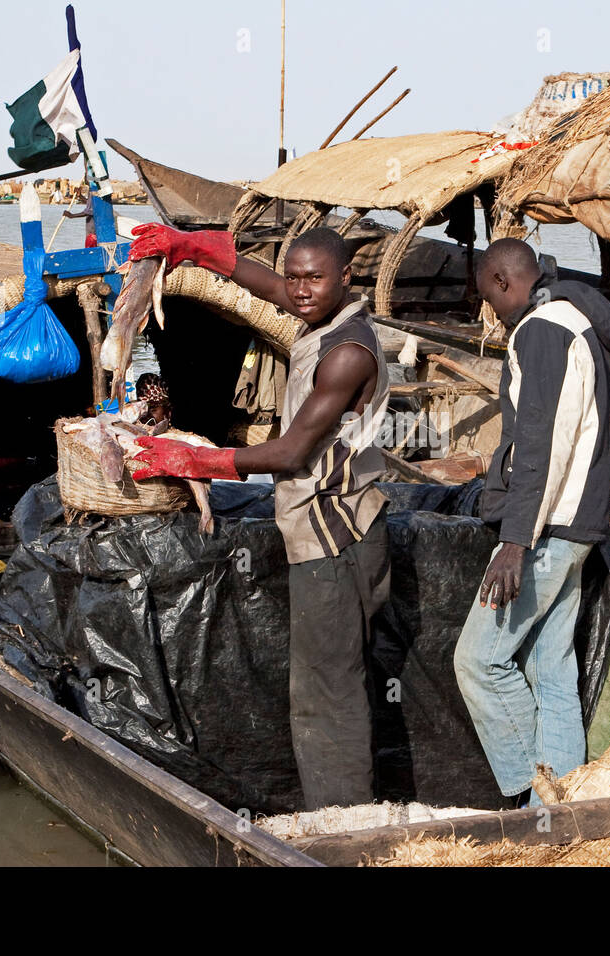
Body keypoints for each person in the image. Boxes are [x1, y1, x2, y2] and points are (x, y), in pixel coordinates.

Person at [126, 223, 390, 810]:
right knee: (338, 676)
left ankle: (342, 826)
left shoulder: (346, 352)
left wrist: (196, 457)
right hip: (347, 529)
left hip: (333, 537)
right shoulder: (321, 316)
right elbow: (267, 285)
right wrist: (191, 246)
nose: (298, 291)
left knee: (327, 691)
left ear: (346, 278)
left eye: (314, 279)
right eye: (293, 277)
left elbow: (292, 453)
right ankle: (350, 809)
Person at [453, 237, 610, 805]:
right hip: (577, 525)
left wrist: (515, 540)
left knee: (479, 661)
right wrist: (587, 494)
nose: (492, 312)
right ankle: (563, 814)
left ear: (505, 282)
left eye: (489, 298)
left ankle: (534, 798)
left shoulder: (541, 330)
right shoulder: (581, 325)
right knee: (552, 670)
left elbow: (540, 445)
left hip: (545, 532)